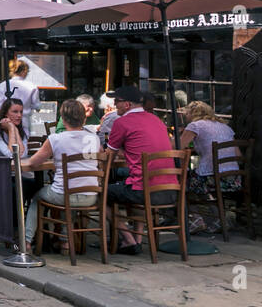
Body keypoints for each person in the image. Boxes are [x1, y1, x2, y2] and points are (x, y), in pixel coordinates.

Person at [21, 99, 101, 255]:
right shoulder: (94, 138)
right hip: (91, 196)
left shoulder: (56, 139)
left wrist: (18, 162)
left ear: (63, 120)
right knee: (68, 193)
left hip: (64, 195)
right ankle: (65, 241)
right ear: (84, 119)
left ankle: (26, 241)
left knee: (38, 197)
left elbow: (33, 163)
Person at [106, 86, 177, 255]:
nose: (114, 104)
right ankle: (136, 240)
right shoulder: (156, 119)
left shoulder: (122, 122)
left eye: (117, 101)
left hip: (144, 190)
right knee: (132, 183)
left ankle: (128, 239)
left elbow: (107, 157)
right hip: (171, 189)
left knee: (100, 194)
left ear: (127, 104)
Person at [179, 101, 239, 233]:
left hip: (211, 177)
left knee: (182, 181)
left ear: (192, 113)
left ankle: (196, 219)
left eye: (186, 113)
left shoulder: (195, 125)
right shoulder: (225, 127)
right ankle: (219, 219)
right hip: (233, 178)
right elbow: (238, 153)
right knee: (198, 182)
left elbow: (177, 147)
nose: (185, 116)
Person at [0, 59, 40, 135]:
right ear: (24, 71)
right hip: (24, 121)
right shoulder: (32, 86)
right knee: (22, 144)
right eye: (27, 71)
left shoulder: (3, 85)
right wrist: (28, 106)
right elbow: (37, 106)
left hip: (6, 122)